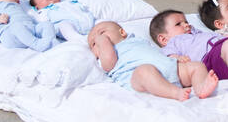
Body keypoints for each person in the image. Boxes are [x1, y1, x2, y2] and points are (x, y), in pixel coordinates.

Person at [87, 20, 218, 101]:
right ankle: (175, 93)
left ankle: (201, 88)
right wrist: (102, 42)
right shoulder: (105, 54)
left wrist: (174, 58)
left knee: (196, 66)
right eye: (93, 43)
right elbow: (109, 63)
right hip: (140, 80)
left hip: (170, 69)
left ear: (122, 32)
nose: (98, 39)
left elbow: (157, 54)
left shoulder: (136, 40)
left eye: (102, 33)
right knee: (144, 70)